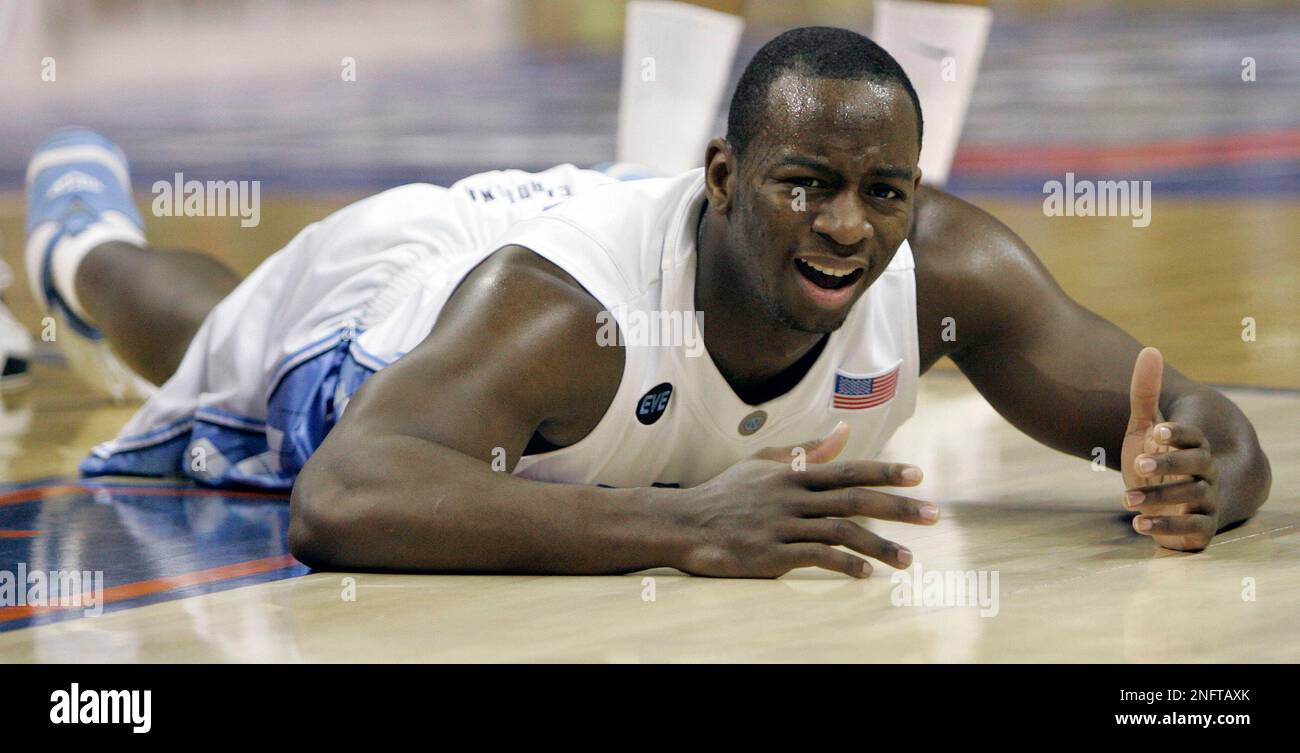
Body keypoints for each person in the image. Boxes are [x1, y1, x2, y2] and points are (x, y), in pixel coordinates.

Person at [23, 27, 1270, 579]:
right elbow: (344, 496)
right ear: (725, 179)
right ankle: (81, 247)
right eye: (807, 187)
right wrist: (686, 527)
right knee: (207, 339)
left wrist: (1201, 477)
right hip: (393, 304)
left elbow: (1198, 419)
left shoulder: (943, 267)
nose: (849, 226)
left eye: (882, 191)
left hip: (559, 263)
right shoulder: (571, 313)